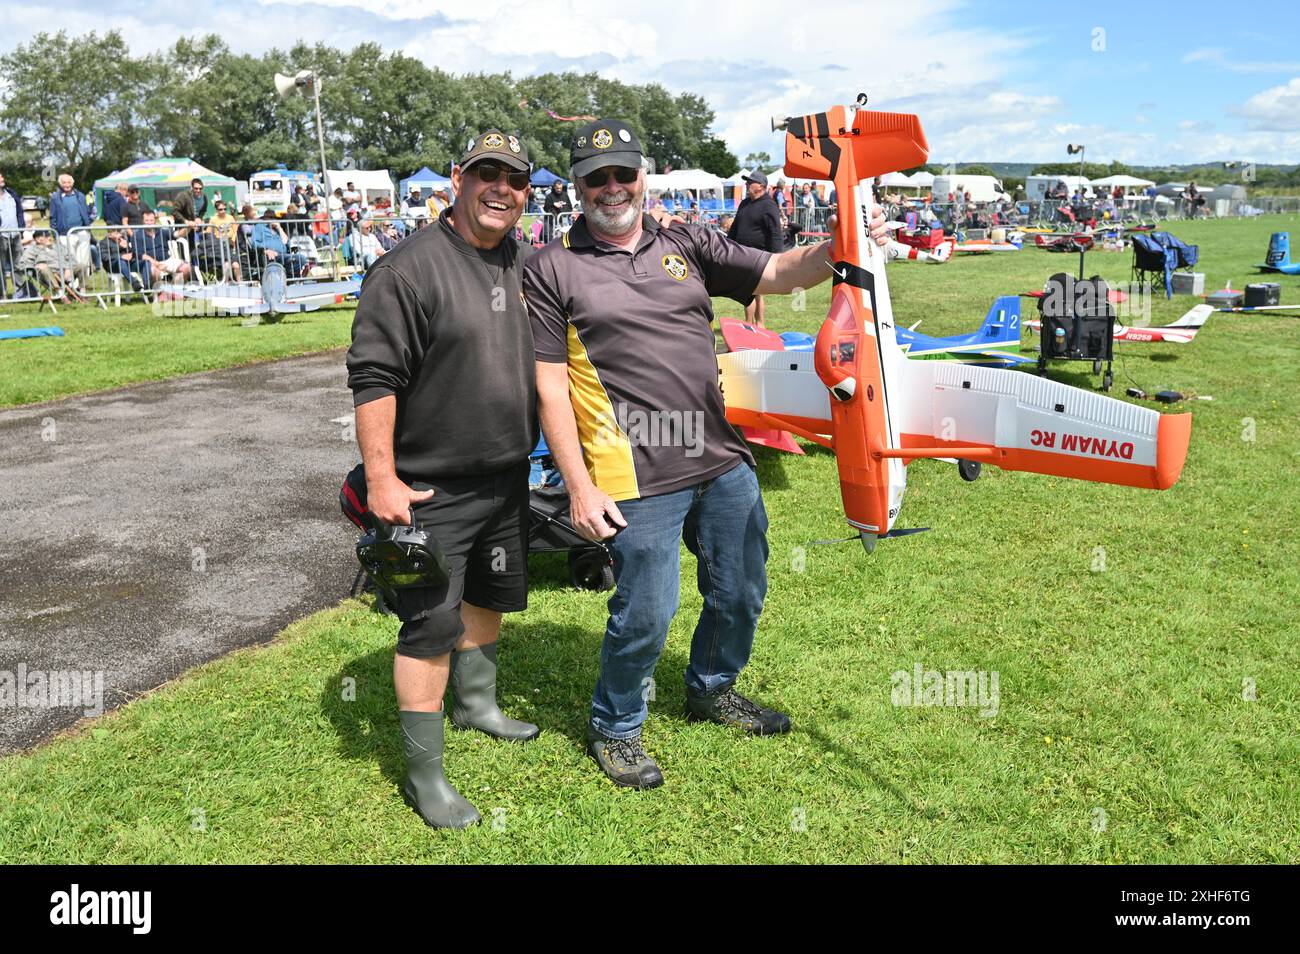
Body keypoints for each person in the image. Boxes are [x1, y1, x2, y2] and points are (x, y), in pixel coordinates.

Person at [524, 117, 888, 790]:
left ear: (643, 176)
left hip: (719, 456)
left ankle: (712, 688)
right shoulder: (551, 267)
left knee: (742, 589)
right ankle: (616, 725)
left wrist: (846, 238)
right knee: (646, 611)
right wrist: (577, 487)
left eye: (623, 174)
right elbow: (548, 385)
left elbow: (779, 271)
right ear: (576, 186)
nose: (612, 188)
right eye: (595, 177)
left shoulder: (685, 241)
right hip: (633, 470)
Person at [346, 129, 545, 831]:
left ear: (527, 192)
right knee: (429, 625)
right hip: (429, 488)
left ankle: (477, 704)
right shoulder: (407, 270)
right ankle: (425, 776)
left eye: (515, 179)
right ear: (457, 180)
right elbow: (373, 378)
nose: (501, 188)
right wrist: (382, 480)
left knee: (489, 595)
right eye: (486, 173)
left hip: (508, 476)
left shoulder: (528, 261)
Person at [727, 170, 782, 326]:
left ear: (761, 186)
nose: (747, 185)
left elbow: (775, 232)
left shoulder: (769, 205)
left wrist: (776, 258)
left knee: (754, 291)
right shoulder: (745, 203)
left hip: (760, 256)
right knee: (752, 291)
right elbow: (735, 228)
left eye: (750, 182)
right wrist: (726, 246)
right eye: (747, 182)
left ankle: (756, 323)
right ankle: (753, 324)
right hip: (742, 254)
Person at [131, 211, 190, 287]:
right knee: (153, 271)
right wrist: (157, 264)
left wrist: (188, 227)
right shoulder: (137, 235)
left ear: (155, 221)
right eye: (147, 220)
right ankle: (159, 293)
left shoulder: (161, 231)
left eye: (151, 220)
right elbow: (141, 255)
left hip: (167, 260)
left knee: (186, 267)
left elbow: (177, 234)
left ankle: (174, 290)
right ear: (142, 221)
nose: (149, 223)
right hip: (149, 263)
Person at [0, 170, 27, 298]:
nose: (2, 179)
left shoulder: (11, 194)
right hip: (1, 236)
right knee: (1, 266)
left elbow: (20, 212)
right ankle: (2, 293)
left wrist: (21, 229)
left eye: (1, 176)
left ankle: (20, 292)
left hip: (15, 235)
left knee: (18, 264)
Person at [97, 227, 144, 291]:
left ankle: (148, 286)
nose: (120, 235)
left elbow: (132, 253)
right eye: (116, 233)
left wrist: (127, 247)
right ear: (109, 235)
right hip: (112, 266)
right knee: (121, 262)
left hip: (128, 264)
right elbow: (104, 257)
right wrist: (121, 256)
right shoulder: (103, 243)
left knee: (144, 262)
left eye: (119, 233)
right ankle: (134, 283)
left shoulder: (123, 240)